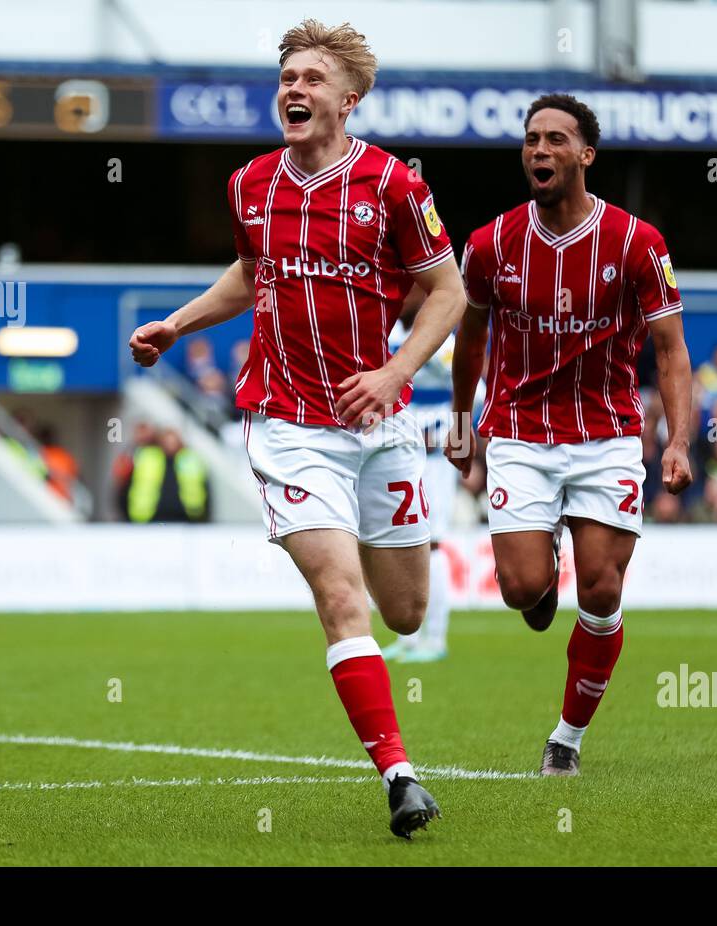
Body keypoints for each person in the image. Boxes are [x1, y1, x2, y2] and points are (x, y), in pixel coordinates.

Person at [127, 19, 464, 838]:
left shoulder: (393, 187)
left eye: (312, 78)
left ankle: (397, 742)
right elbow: (252, 273)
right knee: (341, 599)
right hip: (287, 422)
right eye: (287, 76)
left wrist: (394, 373)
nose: (294, 88)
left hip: (377, 419)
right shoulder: (249, 184)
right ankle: (400, 776)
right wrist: (180, 323)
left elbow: (448, 293)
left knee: (407, 613)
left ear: (348, 99)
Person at [447, 93, 693, 777]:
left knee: (604, 592)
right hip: (521, 434)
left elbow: (671, 351)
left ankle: (568, 739)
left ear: (586, 153)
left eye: (556, 139)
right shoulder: (491, 243)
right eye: (531, 140)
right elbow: (470, 338)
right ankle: (541, 577)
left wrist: (676, 441)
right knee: (523, 589)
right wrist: (463, 421)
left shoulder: (637, 243)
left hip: (607, 435)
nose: (539, 151)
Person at [381, 294, 459, 663]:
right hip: (399, 451)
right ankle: (409, 640)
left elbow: (469, 388)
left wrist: (454, 436)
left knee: (434, 542)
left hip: (435, 456)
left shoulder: (441, 339)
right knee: (397, 542)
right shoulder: (393, 333)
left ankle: (436, 639)